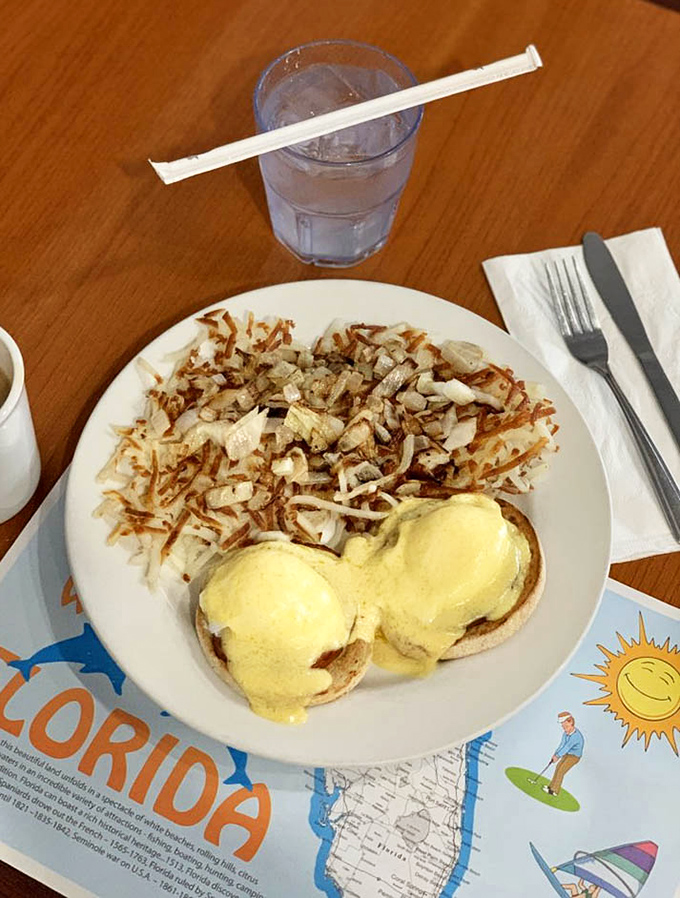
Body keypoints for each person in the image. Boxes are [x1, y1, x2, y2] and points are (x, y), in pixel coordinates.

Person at [542, 711, 584, 796]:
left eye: (566, 726)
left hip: (574, 757)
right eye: (563, 726)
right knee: (558, 767)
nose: (564, 728)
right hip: (567, 754)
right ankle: (550, 787)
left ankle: (554, 791)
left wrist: (557, 756)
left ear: (571, 722)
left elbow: (567, 747)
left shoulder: (576, 736)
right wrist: (555, 754)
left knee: (561, 771)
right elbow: (561, 745)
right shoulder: (565, 733)